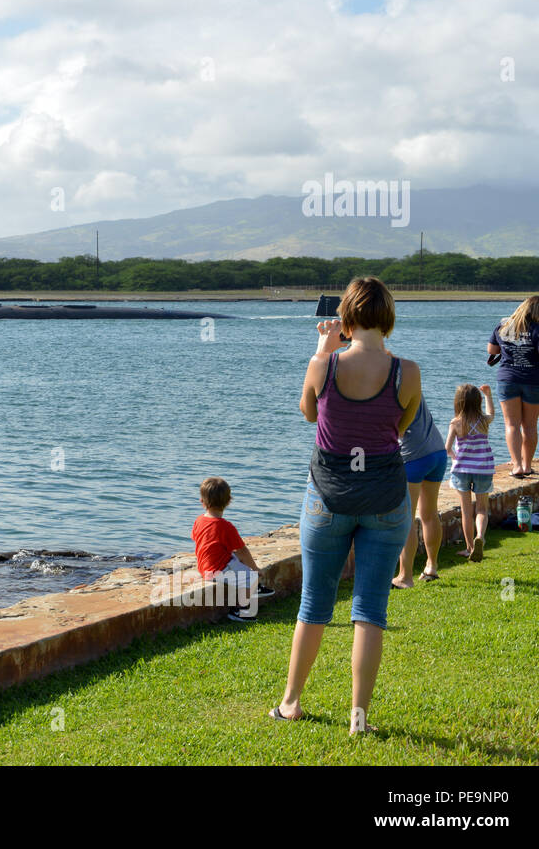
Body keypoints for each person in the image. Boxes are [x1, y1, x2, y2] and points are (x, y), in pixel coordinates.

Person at [273, 277, 419, 734]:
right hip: (386, 499)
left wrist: (322, 351)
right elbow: (401, 425)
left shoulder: (324, 366)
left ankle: (291, 702)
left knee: (314, 605)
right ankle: (359, 718)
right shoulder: (407, 371)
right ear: (388, 317)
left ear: (347, 317)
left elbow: (308, 413)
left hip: (327, 497)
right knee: (370, 610)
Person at [489, 295, 539, 477]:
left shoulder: (503, 325)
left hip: (507, 380)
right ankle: (527, 466)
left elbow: (492, 350)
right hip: (533, 381)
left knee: (511, 425)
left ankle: (517, 466)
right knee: (529, 426)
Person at [191, 477, 274, 623]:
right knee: (251, 577)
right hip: (217, 569)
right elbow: (243, 551)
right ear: (229, 501)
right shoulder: (226, 527)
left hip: (203, 567)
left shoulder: (199, 521)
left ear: (202, 502)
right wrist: (254, 568)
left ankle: (255, 588)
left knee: (233, 556)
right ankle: (240, 610)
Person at [392, 396, 446, 587]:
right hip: (437, 451)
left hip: (413, 455)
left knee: (406, 516)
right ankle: (432, 566)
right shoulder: (409, 377)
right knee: (429, 513)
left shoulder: (385, 384)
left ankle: (405, 576)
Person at [446, 384, 496, 563]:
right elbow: (492, 413)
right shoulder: (483, 420)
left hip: (462, 470)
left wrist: (455, 458)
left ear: (458, 402)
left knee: (466, 512)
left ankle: (469, 548)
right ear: (478, 402)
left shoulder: (456, 422)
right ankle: (480, 537)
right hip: (483, 469)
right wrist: (489, 395)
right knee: (482, 508)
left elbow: (447, 448)